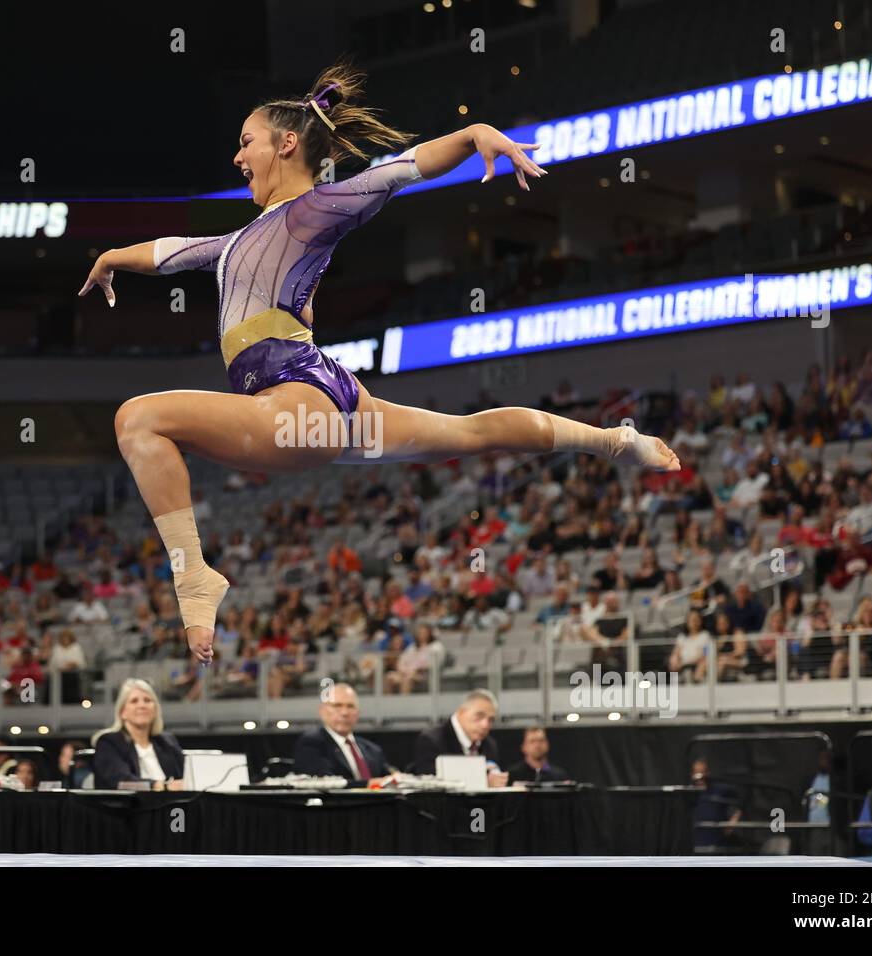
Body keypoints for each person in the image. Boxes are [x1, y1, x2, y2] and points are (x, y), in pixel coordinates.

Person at [79, 61, 680, 668]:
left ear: (287, 143)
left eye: (246, 142)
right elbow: (174, 253)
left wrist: (474, 138)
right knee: (468, 432)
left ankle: (193, 579)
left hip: (296, 401)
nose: (238, 158)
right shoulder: (242, 238)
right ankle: (613, 440)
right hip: (325, 406)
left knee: (140, 419)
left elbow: (399, 170)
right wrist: (112, 257)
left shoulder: (314, 209)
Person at [292, 682, 395, 786]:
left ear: (358, 713)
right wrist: (369, 784)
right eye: (337, 705)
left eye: (350, 706)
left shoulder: (372, 749)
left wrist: (397, 778)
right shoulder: (312, 743)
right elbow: (324, 784)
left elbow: (389, 776)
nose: (344, 713)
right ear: (322, 711)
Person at [92, 678, 185, 791]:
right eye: (134, 701)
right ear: (122, 712)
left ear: (155, 709)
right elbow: (121, 783)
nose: (142, 705)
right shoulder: (108, 742)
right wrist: (160, 786)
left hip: (171, 806)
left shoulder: (167, 742)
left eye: (147, 700)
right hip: (129, 806)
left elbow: (184, 777)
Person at [410, 689, 507, 786]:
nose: (485, 725)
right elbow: (430, 787)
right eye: (479, 716)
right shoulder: (432, 740)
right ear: (461, 712)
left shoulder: (489, 745)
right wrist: (483, 783)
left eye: (491, 720)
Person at [506, 727, 571, 783]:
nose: (537, 745)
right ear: (523, 747)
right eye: (532, 741)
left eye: (541, 740)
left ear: (547, 744)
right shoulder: (513, 775)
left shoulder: (559, 775)